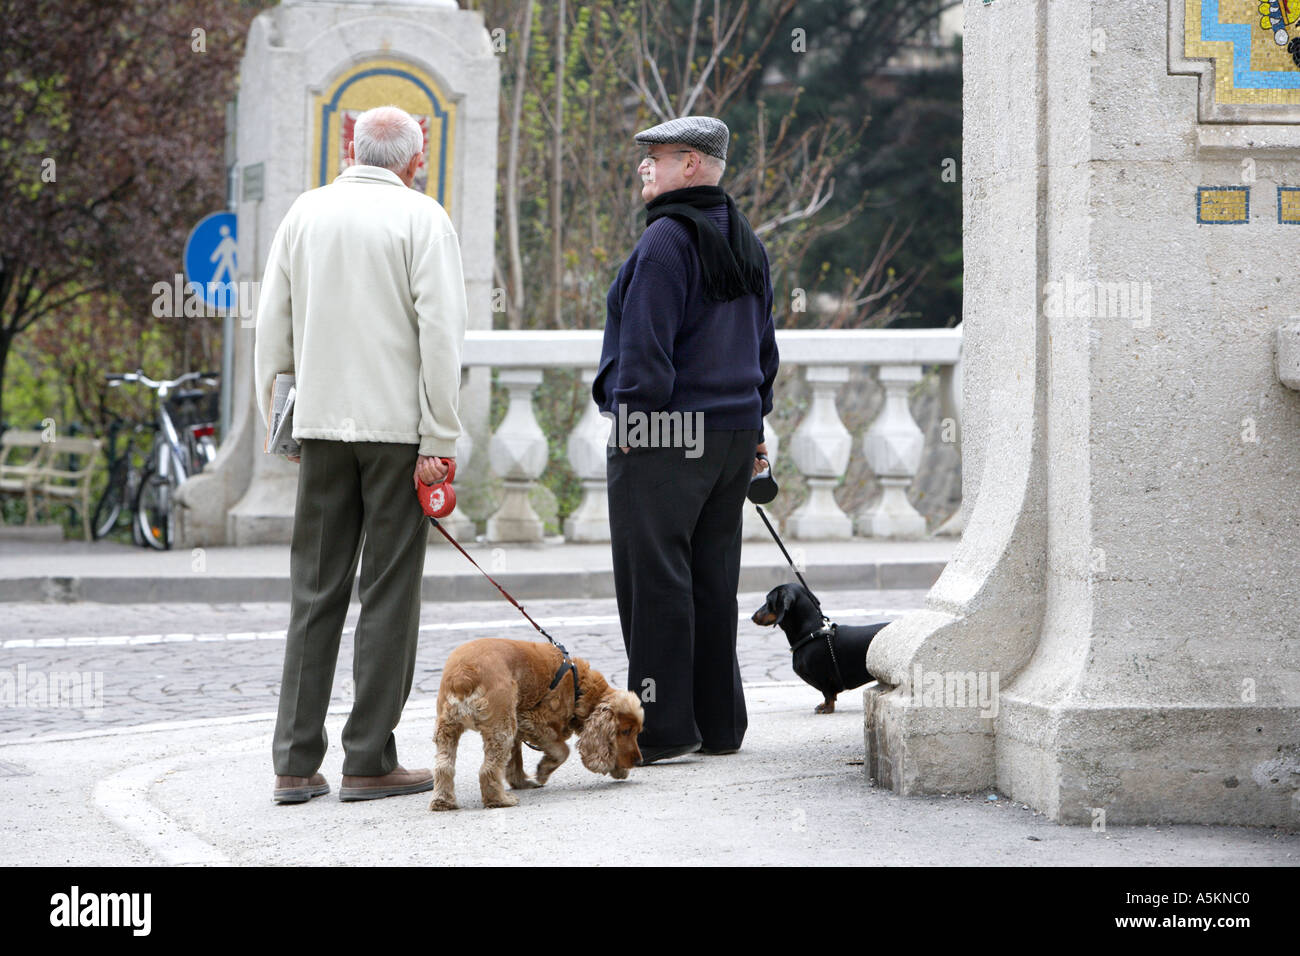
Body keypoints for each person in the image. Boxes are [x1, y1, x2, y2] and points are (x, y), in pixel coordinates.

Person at [254, 105, 467, 803]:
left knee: (314, 594)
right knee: (388, 596)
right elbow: (440, 334)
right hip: (397, 434)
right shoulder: (423, 219)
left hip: (320, 428)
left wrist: (276, 417)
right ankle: (368, 759)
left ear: (352, 148)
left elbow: (273, 324)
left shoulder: (305, 212)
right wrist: (439, 438)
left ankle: (292, 762)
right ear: (414, 159)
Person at [594, 116, 779, 764]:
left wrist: (630, 426)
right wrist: (755, 430)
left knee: (657, 584)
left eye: (657, 157)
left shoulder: (666, 242)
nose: (643, 167)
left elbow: (645, 355)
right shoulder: (745, 240)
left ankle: (665, 728)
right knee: (710, 579)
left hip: (664, 435)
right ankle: (719, 724)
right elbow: (765, 352)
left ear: (693, 165)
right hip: (729, 437)